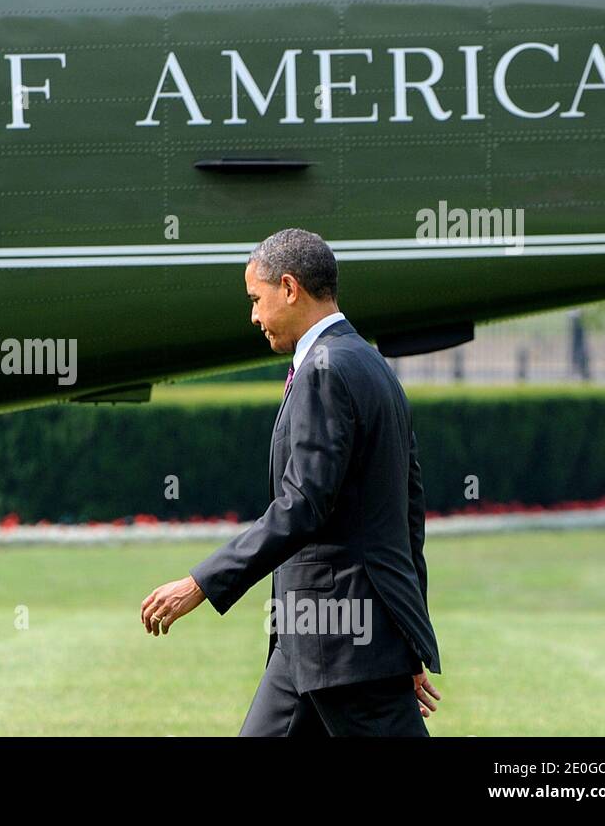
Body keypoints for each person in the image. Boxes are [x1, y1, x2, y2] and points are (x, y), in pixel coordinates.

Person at [139, 228, 442, 736]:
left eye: (256, 299)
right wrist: (406, 634)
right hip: (312, 641)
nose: (254, 316)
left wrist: (201, 582)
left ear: (289, 287)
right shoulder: (371, 364)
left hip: (345, 643)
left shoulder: (324, 369)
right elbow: (409, 512)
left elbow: (302, 505)